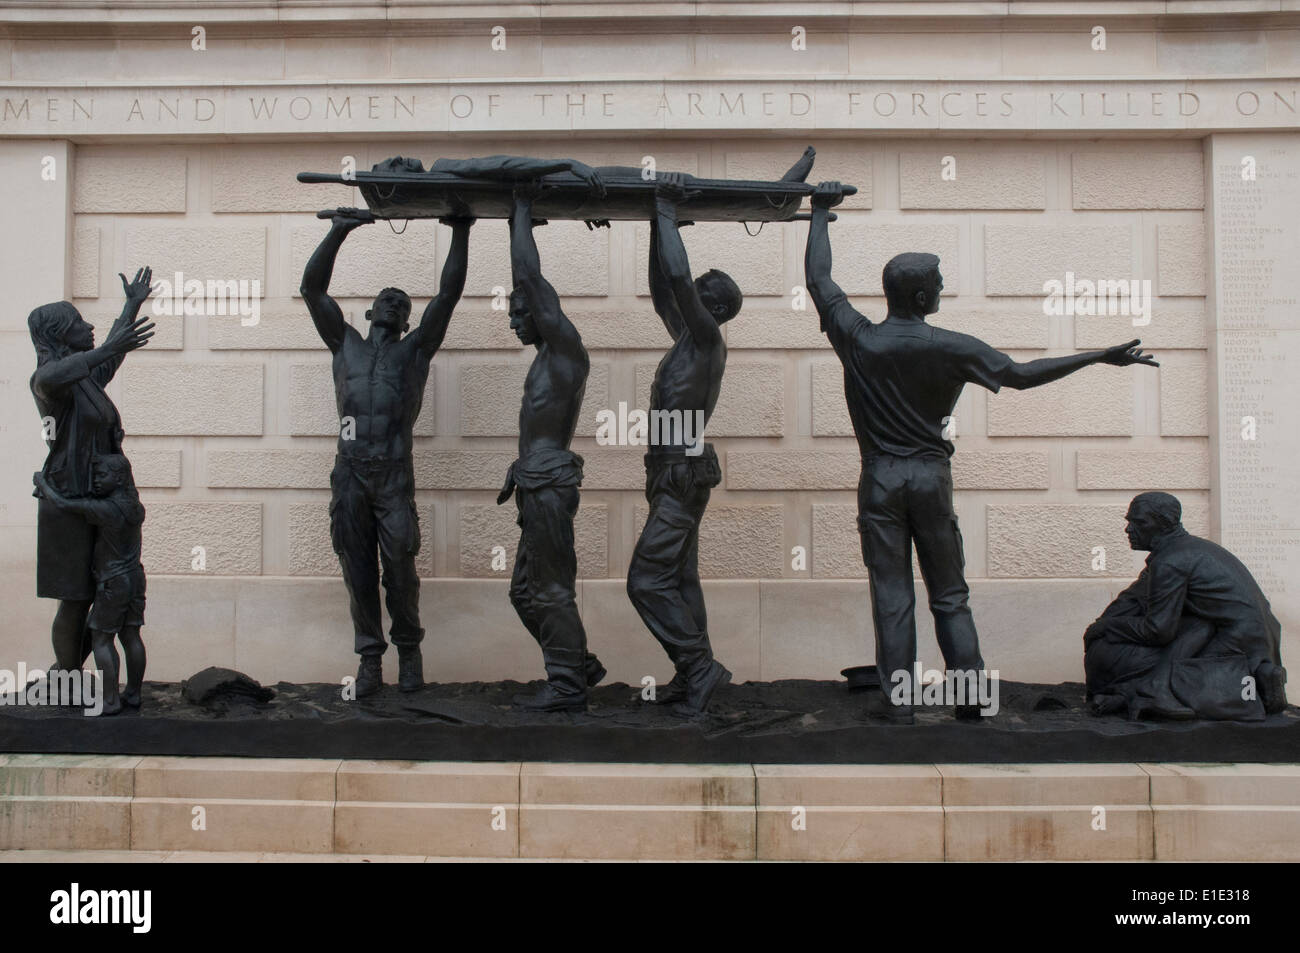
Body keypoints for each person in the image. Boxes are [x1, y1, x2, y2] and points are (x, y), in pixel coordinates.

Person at [804, 181, 1159, 724]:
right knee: (949, 593)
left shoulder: (859, 339)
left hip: (879, 480)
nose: (944, 290)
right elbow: (1021, 375)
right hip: (928, 479)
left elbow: (819, 280)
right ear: (922, 297)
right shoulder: (952, 346)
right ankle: (969, 694)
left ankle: (899, 704)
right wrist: (1096, 356)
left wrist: (821, 212)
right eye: (940, 284)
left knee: (893, 597)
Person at [300, 209, 471, 696]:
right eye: (386, 299)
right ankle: (370, 659)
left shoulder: (415, 351)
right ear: (371, 312)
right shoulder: (343, 344)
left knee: (399, 566)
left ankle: (410, 651)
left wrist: (460, 228)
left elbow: (448, 294)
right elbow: (312, 289)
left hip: (393, 476)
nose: (394, 303)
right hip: (350, 473)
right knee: (357, 568)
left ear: (406, 319)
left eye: (402, 302)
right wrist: (339, 230)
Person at [626, 173, 742, 716]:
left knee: (646, 581)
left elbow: (676, 272)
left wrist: (667, 209)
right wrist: (656, 221)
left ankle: (700, 667)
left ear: (713, 309)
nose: (687, 294)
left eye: (699, 294)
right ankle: (692, 673)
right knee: (679, 575)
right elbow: (662, 283)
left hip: (681, 470)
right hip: (670, 468)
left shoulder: (706, 339)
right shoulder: (686, 341)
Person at [500, 182, 604, 712]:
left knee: (549, 589)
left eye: (519, 312)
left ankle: (566, 686)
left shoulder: (565, 349)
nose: (513, 320)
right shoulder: (545, 358)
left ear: (542, 313)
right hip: (535, 482)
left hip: (548, 486)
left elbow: (531, 279)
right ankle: (579, 665)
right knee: (524, 593)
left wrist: (520, 210)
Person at [29, 269, 155, 673]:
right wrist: (109, 346)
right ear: (61, 335)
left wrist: (132, 305)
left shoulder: (86, 381)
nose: (90, 327)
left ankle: (62, 673)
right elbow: (60, 372)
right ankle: (66, 677)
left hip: (102, 498)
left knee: (100, 592)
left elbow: (111, 354)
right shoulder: (49, 381)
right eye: (80, 324)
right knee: (75, 596)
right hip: (66, 498)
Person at [1084, 492, 1286, 720]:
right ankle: (1261, 675)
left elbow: (1157, 630)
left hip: (1237, 641)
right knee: (1195, 626)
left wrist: (1107, 627)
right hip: (1261, 638)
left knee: (1159, 666)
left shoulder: (1171, 561)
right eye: (1129, 521)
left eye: (1139, 522)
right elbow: (1136, 595)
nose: (1128, 529)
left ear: (1163, 524)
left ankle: (1148, 693)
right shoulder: (1193, 548)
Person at [34, 454, 146, 715]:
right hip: (135, 578)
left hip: (112, 582)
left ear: (118, 478)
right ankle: (133, 693)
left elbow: (63, 503)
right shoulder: (135, 506)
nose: (96, 480)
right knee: (131, 635)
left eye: (101, 475)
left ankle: (110, 700)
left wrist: (43, 483)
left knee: (102, 639)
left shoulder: (106, 509)